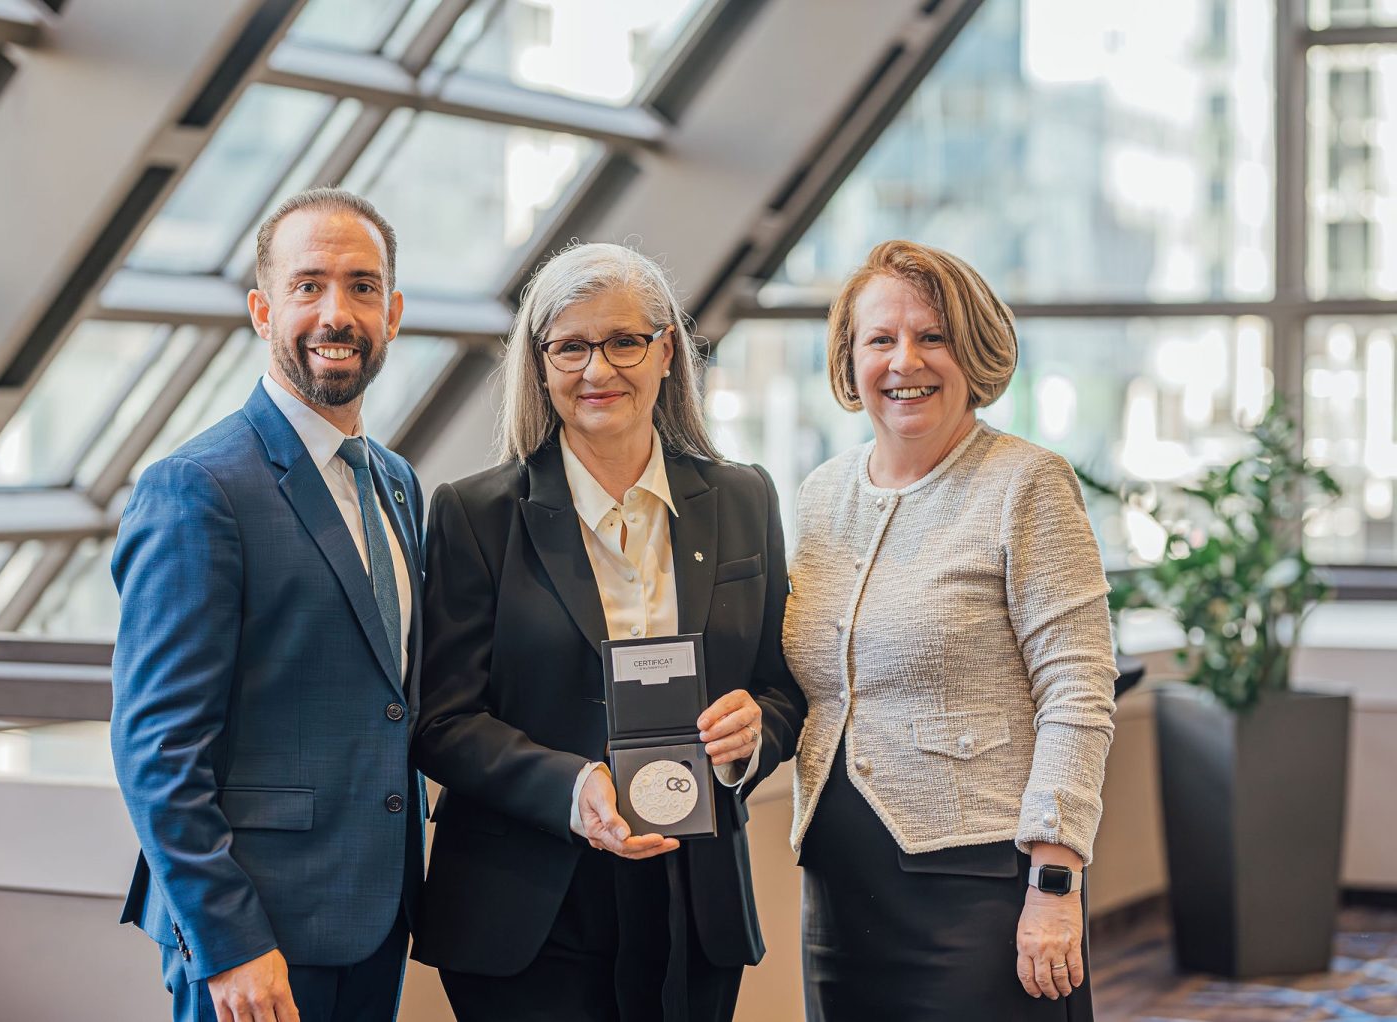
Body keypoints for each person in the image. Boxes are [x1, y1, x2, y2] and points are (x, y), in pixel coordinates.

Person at [412, 242, 806, 1022]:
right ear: (540, 363)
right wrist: (573, 786)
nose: (599, 370)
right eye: (571, 347)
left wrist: (754, 734)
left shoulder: (742, 498)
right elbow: (440, 720)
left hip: (693, 897)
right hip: (529, 904)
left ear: (666, 352)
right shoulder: (473, 514)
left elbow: (782, 687)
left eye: (625, 341)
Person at [110, 187, 424, 1022]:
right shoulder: (197, 487)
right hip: (257, 939)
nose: (336, 313)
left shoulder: (397, 484)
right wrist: (230, 940)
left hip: (372, 919)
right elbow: (156, 747)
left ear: (392, 313)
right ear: (262, 308)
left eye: (361, 288)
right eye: (308, 285)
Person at [783, 240, 1117, 1020]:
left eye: (932, 336)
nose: (906, 361)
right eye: (881, 339)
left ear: (971, 350)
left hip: (980, 891)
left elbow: (1078, 691)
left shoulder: (1025, 482)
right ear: (849, 357)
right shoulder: (821, 495)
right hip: (838, 887)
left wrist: (1055, 885)